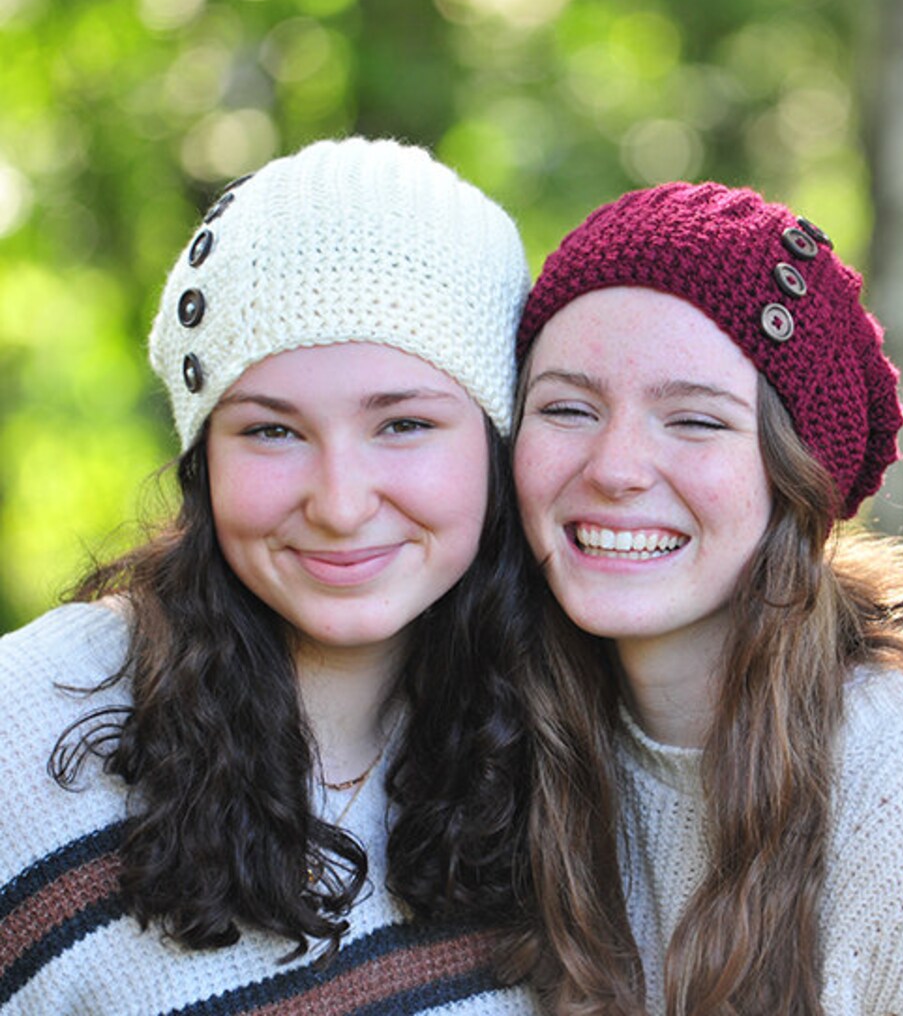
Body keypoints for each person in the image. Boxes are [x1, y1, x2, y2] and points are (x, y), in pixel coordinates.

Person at [0, 136, 541, 1014]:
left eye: (402, 424)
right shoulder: (28, 724)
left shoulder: (572, 734)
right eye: (271, 431)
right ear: (201, 460)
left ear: (495, 443)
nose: (338, 501)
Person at [511, 182, 903, 1015]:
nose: (614, 467)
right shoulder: (523, 725)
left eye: (695, 421)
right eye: (566, 407)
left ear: (794, 479)